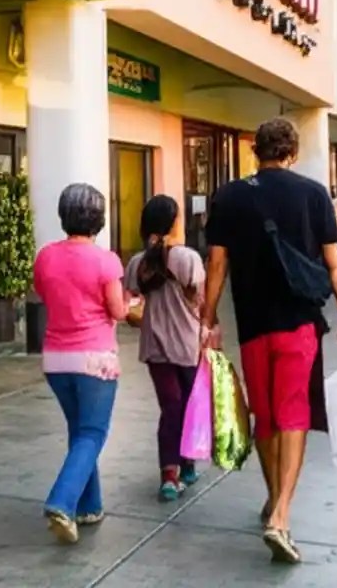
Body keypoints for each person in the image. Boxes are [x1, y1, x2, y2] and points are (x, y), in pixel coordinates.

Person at [200, 118, 337, 564]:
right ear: (293, 152)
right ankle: (281, 515)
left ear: (255, 149)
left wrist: (207, 319)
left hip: (253, 324)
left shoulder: (229, 196)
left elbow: (216, 265)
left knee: (265, 416)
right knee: (293, 416)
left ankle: (273, 501)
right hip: (299, 322)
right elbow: (335, 264)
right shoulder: (313, 194)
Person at [33, 183, 128, 545]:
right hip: (95, 360)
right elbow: (117, 310)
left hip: (56, 359)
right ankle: (62, 501)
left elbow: (44, 293)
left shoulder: (45, 256)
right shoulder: (106, 261)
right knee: (92, 434)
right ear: (99, 219)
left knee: (80, 431)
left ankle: (91, 506)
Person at [123, 195, 205, 502]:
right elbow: (200, 299)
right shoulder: (188, 259)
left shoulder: (136, 263)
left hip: (155, 347)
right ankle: (182, 467)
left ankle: (172, 471)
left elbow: (130, 299)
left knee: (171, 407)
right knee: (187, 406)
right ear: (174, 223)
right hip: (187, 344)